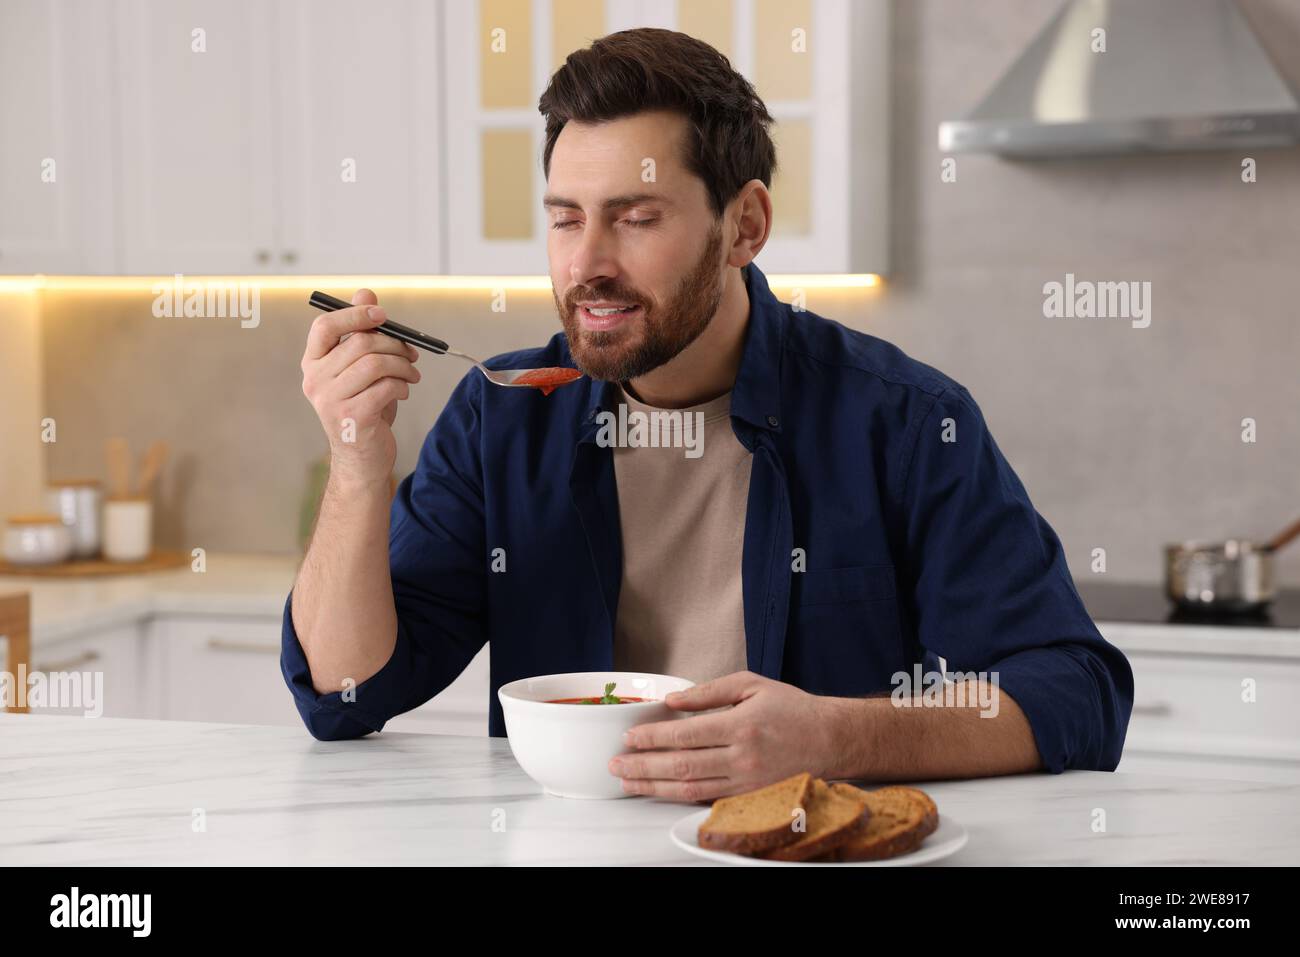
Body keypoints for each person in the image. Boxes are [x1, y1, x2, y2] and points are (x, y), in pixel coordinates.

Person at [283, 28, 1132, 802]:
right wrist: (359, 470)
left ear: (745, 225)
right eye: (566, 219)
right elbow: (349, 694)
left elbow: (1073, 692)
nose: (587, 264)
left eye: (637, 217)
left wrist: (837, 735)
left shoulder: (904, 421)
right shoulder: (502, 416)